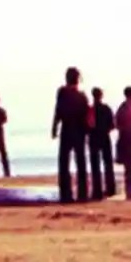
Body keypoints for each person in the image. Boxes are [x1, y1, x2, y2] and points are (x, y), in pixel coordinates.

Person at [53, 66, 90, 203]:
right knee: (80, 162)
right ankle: (82, 193)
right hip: (79, 130)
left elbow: (58, 110)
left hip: (68, 128)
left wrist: (55, 126)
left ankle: (66, 194)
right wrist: (87, 132)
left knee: (64, 162)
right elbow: (86, 115)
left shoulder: (63, 92)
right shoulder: (82, 96)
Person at [89, 87, 116, 200]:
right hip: (104, 137)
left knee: (95, 165)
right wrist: (105, 129)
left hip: (94, 138)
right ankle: (111, 189)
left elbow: (87, 124)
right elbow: (113, 125)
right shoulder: (106, 109)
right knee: (108, 164)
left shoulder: (90, 110)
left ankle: (97, 191)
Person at [117, 87, 131, 200]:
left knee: (128, 168)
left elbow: (117, 123)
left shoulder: (122, 108)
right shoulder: (122, 108)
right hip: (126, 140)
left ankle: (129, 192)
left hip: (125, 140)